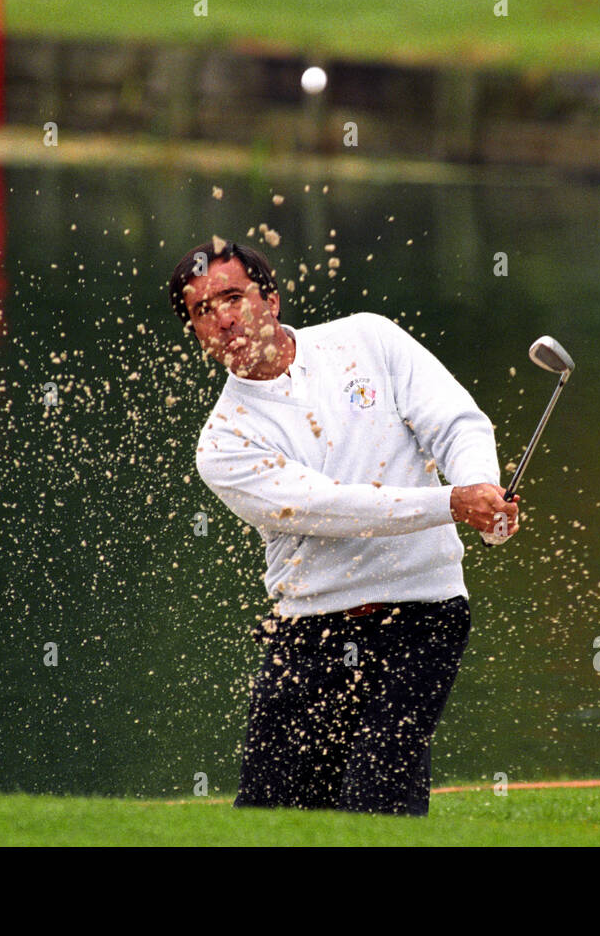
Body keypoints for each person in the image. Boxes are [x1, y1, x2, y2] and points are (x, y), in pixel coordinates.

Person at [169, 238, 519, 815]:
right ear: (197, 336)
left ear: (272, 299)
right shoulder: (223, 441)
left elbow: (456, 423)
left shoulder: (367, 339)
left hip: (422, 617)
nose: (224, 319)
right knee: (270, 817)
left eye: (233, 297)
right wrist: (454, 504)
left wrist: (482, 489)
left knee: (379, 796)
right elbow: (332, 508)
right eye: (202, 311)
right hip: (311, 634)